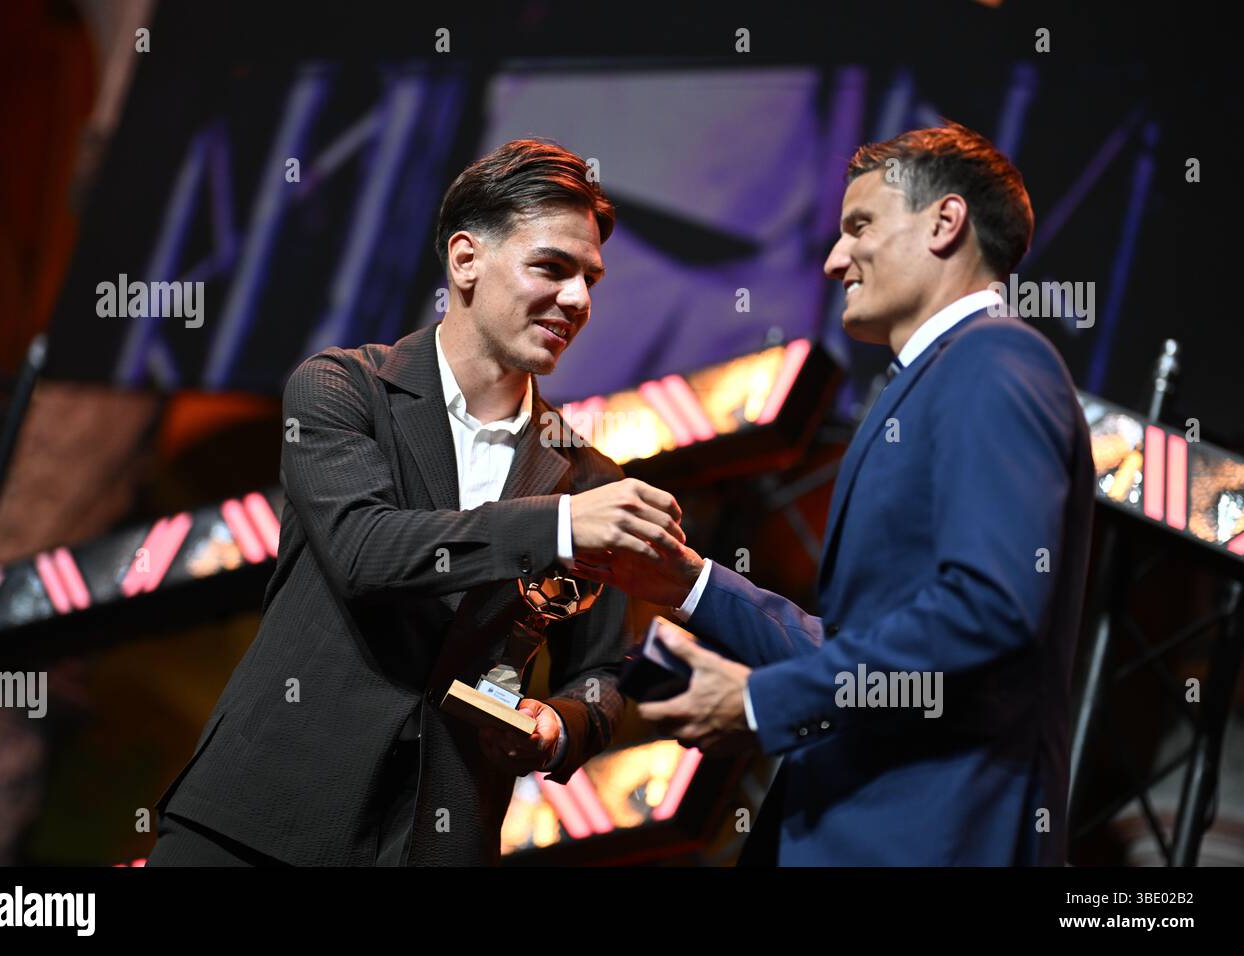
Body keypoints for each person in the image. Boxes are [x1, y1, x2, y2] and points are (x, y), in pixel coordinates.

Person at [148, 139, 684, 866]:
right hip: (258, 818)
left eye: (590, 279)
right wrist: (554, 524)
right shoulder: (342, 389)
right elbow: (366, 551)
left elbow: (607, 667)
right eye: (552, 268)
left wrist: (560, 724)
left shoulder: (590, 477)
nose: (578, 300)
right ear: (466, 260)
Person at [589, 122, 1096, 865]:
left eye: (860, 226)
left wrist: (764, 703)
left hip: (926, 840)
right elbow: (867, 653)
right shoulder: (940, 377)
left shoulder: (994, 359)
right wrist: (688, 582)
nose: (832, 260)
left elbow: (985, 613)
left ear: (945, 223)